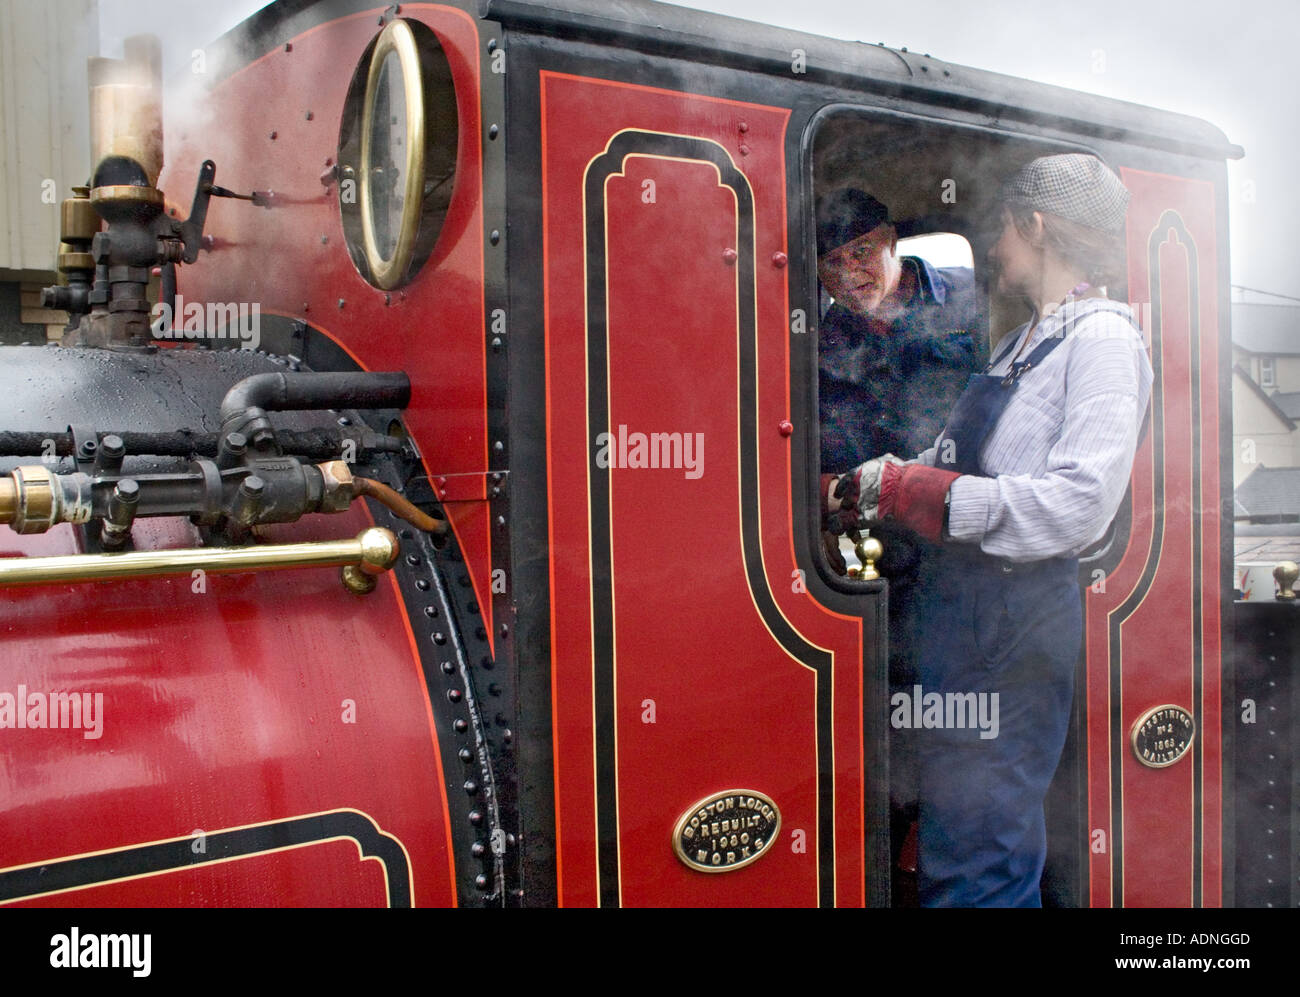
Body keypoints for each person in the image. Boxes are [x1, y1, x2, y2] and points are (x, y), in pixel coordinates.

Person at [825, 153, 1153, 906]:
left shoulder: (1101, 339)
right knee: (954, 830)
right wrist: (860, 488)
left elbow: (1078, 504)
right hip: (960, 611)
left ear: (1035, 227)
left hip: (1012, 617)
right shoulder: (1024, 343)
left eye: (1003, 230)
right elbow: (947, 459)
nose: (997, 249)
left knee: (983, 846)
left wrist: (923, 492)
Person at [816, 188, 985, 904]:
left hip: (972, 549)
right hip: (875, 560)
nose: (849, 273)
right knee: (886, 731)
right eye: (829, 262)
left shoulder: (972, 302)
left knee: (966, 733)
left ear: (892, 241)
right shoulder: (821, 338)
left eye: (860, 253)